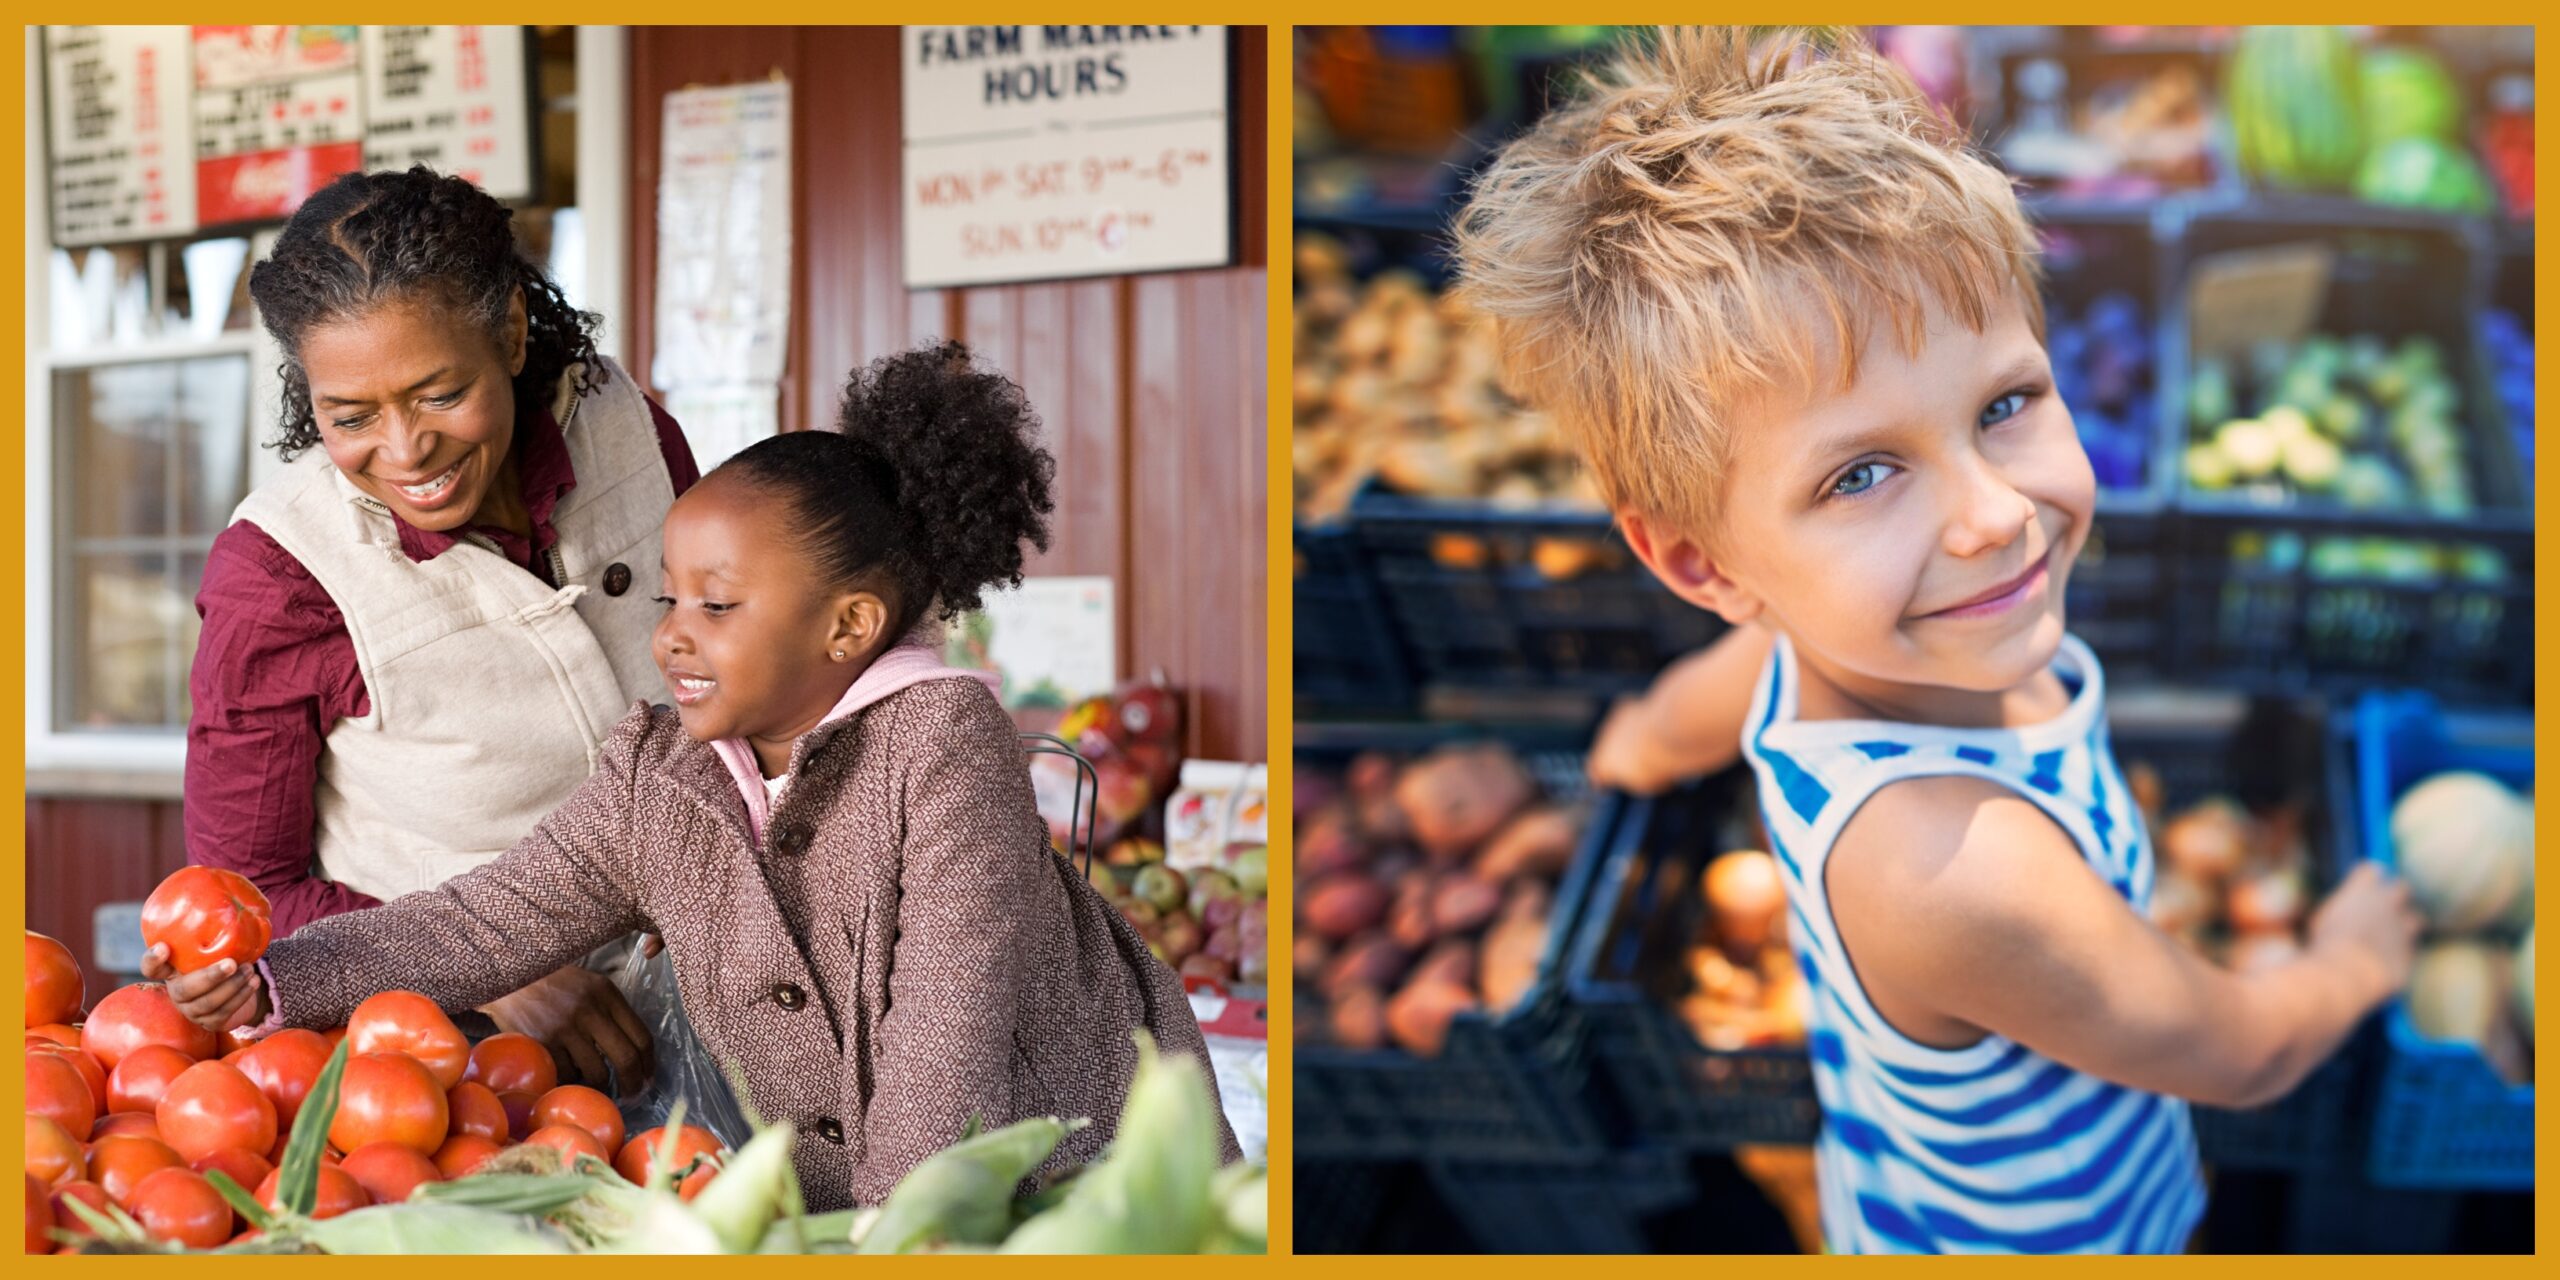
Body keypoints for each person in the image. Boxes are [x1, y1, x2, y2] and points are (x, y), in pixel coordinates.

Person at [1451, 28, 2419, 1254]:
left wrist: (1629, 748)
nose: (1995, 512)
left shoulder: (1805, 643)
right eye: (1862, 474)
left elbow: (1684, 714)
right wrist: (2346, 961)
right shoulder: (1951, 867)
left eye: (2005, 403)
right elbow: (2234, 1050)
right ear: (1704, 563)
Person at [152, 341, 1242, 1209]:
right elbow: (480, 922)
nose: (673, 634)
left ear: (848, 625)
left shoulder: (944, 746)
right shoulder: (659, 771)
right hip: (866, 1218)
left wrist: (897, 1228)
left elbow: (944, 1044)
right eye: (667, 598)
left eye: (716, 606)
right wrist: (278, 979)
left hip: (1072, 1192)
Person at [188, 166, 698, 1092]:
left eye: (436, 393)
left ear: (508, 331)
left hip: (715, 992)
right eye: (351, 416)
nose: (405, 448)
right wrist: (490, 970)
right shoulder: (279, 575)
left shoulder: (628, 431)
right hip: (449, 1068)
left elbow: (734, 664)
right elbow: (246, 896)